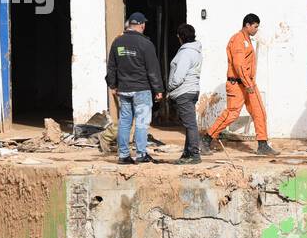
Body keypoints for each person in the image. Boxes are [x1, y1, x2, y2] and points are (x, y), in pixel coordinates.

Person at [206, 13, 277, 156]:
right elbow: (239, 65)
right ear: (247, 25)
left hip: (247, 83)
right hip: (239, 84)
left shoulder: (247, 40)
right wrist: (248, 84)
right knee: (232, 114)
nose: (257, 30)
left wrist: (249, 84)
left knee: (259, 112)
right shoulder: (238, 40)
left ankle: (262, 144)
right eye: (255, 27)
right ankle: (206, 138)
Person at [105, 13, 163, 165]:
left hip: (124, 89)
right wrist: (158, 89)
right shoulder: (145, 44)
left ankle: (123, 155)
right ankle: (141, 154)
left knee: (124, 122)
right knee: (141, 123)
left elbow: (111, 67)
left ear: (129, 24)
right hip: (141, 89)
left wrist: (113, 85)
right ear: (142, 25)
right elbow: (153, 69)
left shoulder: (117, 43)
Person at [167, 23, 203, 165]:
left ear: (180, 37)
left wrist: (170, 87)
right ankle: (187, 153)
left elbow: (179, 76)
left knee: (190, 124)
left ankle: (194, 153)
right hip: (192, 90)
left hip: (184, 91)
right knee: (190, 123)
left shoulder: (185, 53)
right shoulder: (196, 51)